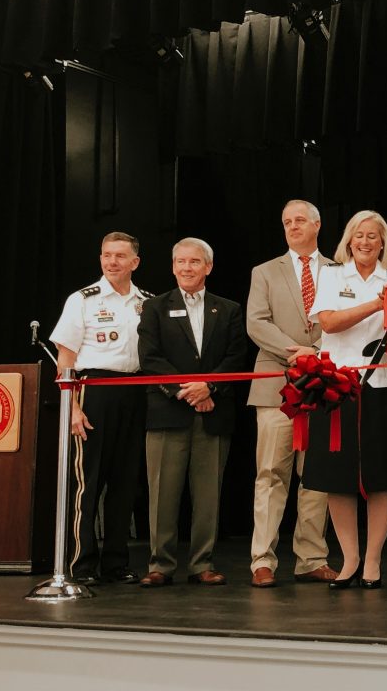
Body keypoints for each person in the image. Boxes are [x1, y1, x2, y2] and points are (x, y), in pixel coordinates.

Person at [304, 211, 387, 589]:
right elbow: (330, 323)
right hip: (337, 385)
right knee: (339, 478)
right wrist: (377, 304)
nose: (365, 242)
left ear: (383, 243)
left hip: (384, 386)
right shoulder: (332, 275)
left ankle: (372, 560)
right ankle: (349, 558)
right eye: (358, 236)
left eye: (373, 236)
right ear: (348, 241)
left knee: (382, 477)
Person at [136, 238, 247, 587]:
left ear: (208, 267)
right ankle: (160, 565)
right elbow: (150, 358)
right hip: (169, 411)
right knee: (162, 494)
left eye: (194, 262)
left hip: (213, 414)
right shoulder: (153, 307)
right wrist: (189, 392)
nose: (186, 268)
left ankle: (202, 564)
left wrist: (209, 388)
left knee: (208, 495)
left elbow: (235, 358)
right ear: (172, 266)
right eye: (180, 262)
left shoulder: (228, 309)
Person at [49, 231, 152, 586]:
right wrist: (73, 408)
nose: (112, 262)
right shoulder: (83, 300)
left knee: (126, 483)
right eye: (107, 255)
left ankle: (116, 563)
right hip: (92, 391)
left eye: (120, 256)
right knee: (87, 483)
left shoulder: (147, 302)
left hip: (134, 391)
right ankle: (81, 564)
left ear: (135, 262)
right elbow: (66, 357)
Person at [246, 200, 337, 588]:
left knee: (316, 476)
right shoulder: (264, 271)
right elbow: (256, 322)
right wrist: (296, 352)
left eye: (300, 220)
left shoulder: (339, 271)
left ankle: (311, 557)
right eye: (286, 222)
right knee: (270, 473)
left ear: (317, 224)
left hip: (326, 383)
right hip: (275, 385)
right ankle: (262, 559)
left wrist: (318, 356)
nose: (293, 226)